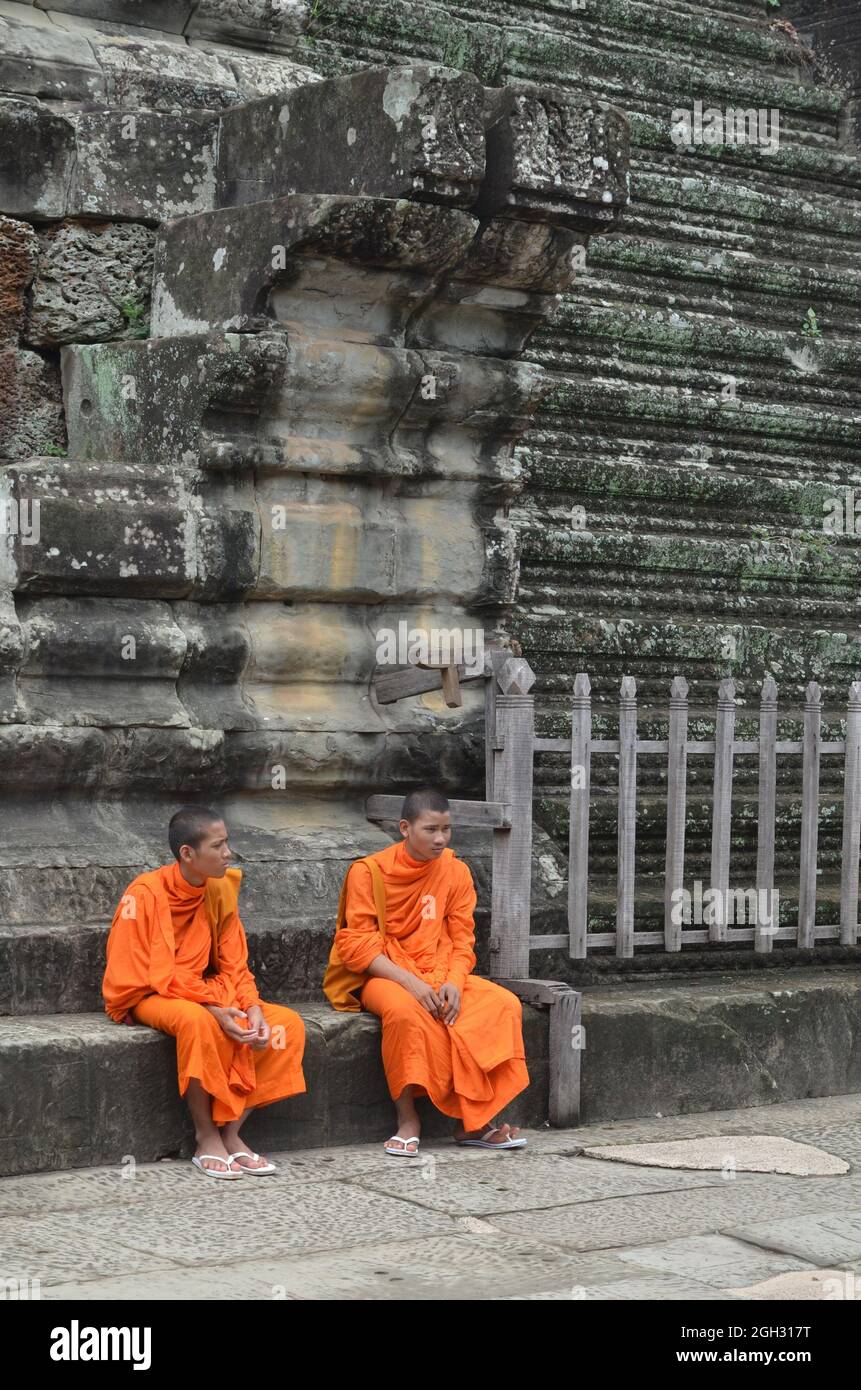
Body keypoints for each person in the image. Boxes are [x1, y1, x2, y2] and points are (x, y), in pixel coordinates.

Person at [103, 806, 306, 1179]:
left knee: (286, 1025)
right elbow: (142, 972)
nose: (228, 853)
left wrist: (252, 1006)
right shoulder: (145, 894)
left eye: (227, 842)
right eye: (219, 845)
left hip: (205, 992)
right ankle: (205, 1135)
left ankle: (231, 1133)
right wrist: (213, 1006)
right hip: (146, 995)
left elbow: (235, 965)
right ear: (187, 854)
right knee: (197, 1022)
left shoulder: (219, 891)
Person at [326, 787, 529, 1155]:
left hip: (441, 970)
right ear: (405, 828)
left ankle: (473, 1122)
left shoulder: (455, 871)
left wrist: (453, 981)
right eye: (430, 830)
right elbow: (356, 945)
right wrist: (412, 984)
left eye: (446, 830)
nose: (440, 839)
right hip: (383, 975)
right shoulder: (368, 872)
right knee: (405, 1013)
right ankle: (408, 1118)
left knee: (503, 1005)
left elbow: (461, 939)